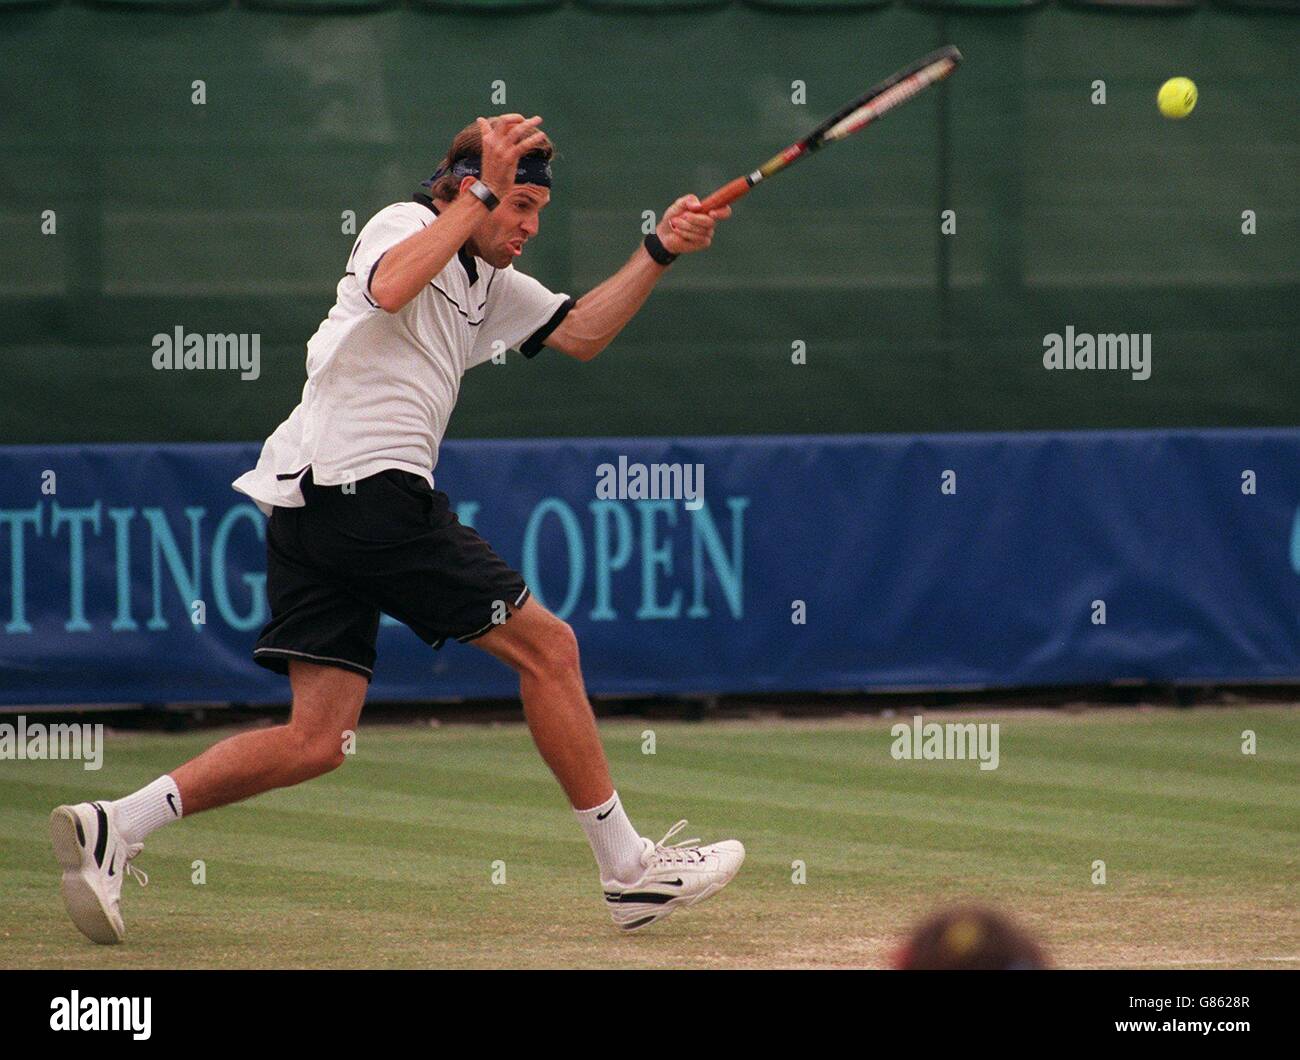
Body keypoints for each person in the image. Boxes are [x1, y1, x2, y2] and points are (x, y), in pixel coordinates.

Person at [51, 114, 743, 944]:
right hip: (367, 494)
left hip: (312, 509)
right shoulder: (407, 223)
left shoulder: (489, 279)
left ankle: (114, 826)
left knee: (317, 740)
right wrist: (477, 190)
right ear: (464, 187)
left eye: (537, 213)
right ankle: (629, 872)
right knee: (549, 649)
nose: (527, 228)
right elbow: (387, 288)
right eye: (517, 206)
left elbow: (583, 331)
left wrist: (658, 249)